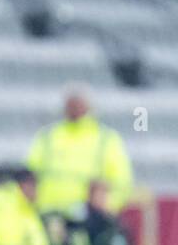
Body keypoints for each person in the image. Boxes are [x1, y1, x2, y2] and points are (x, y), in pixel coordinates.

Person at [26, 84, 133, 218]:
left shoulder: (107, 139)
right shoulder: (47, 137)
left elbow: (122, 183)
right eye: (72, 103)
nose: (75, 108)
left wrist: (106, 207)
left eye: (78, 103)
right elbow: (28, 177)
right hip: (49, 217)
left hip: (90, 221)